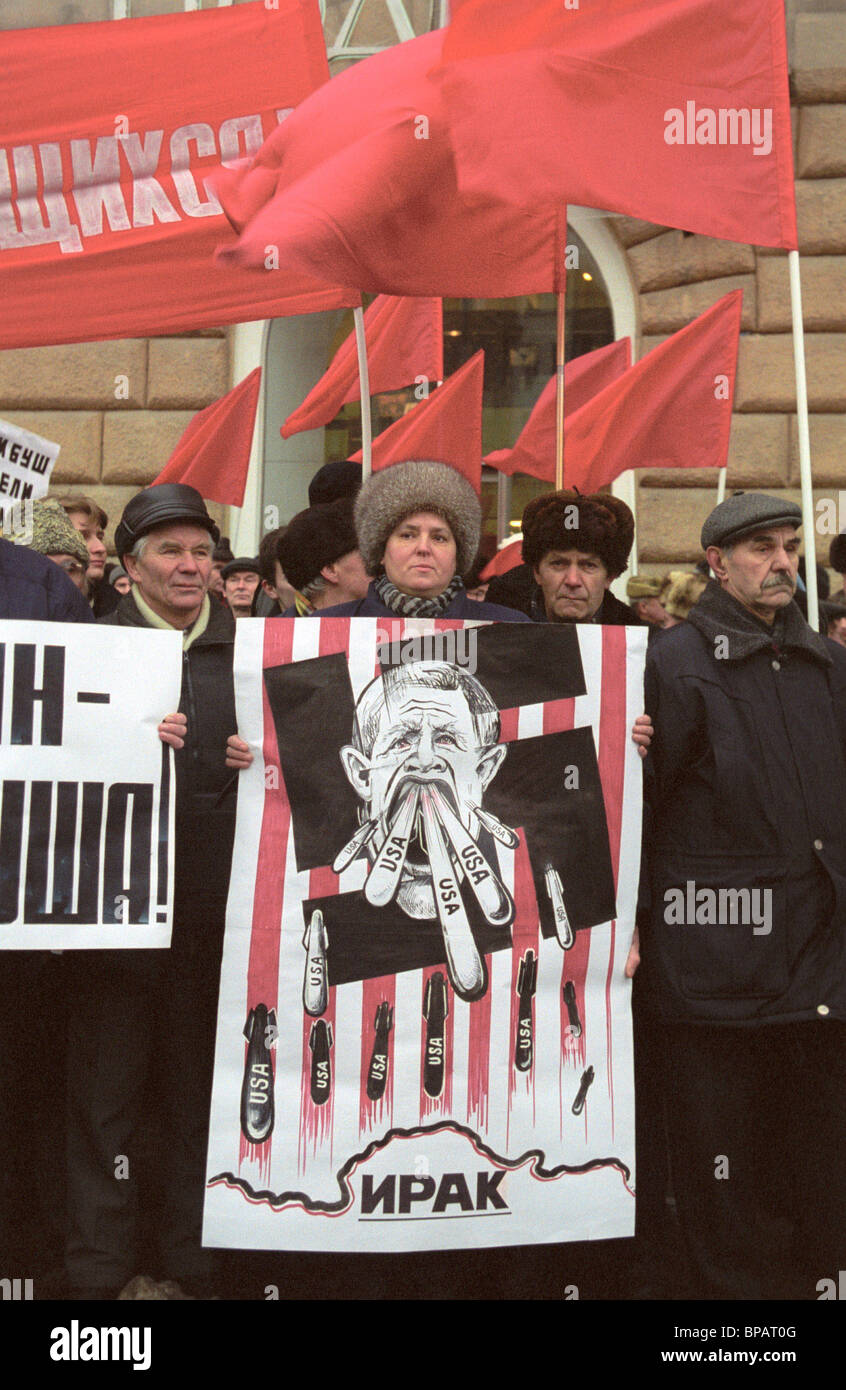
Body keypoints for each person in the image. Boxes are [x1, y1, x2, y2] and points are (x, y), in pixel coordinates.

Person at [640, 491, 846, 1299]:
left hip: (819, 962)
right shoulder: (672, 662)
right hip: (714, 967)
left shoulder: (827, 665)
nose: (782, 562)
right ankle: (736, 1332)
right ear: (717, 564)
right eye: (762, 548)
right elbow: (642, 810)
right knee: (723, 1169)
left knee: (815, 1160)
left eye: (790, 546)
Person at [64, 483, 250, 1300]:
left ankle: (189, 1259)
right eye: (170, 550)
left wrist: (263, 756)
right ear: (130, 567)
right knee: (103, 1097)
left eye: (201, 551)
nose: (188, 565)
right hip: (113, 920)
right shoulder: (90, 651)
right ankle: (98, 1270)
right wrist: (120, 737)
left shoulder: (256, 652)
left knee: (196, 1091)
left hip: (217, 918)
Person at [318, 458, 531, 622]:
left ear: (458, 555)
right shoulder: (326, 628)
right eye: (407, 535)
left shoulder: (509, 628)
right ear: (380, 551)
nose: (423, 548)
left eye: (439, 538)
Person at [520, 490, 643, 626]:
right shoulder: (503, 631)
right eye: (558, 564)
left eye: (589, 565)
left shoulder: (645, 638)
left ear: (609, 577)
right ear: (537, 572)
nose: (572, 581)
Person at [277, 496, 371, 614]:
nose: (381, 561)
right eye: (367, 552)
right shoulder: (275, 627)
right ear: (330, 570)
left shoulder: (385, 617)